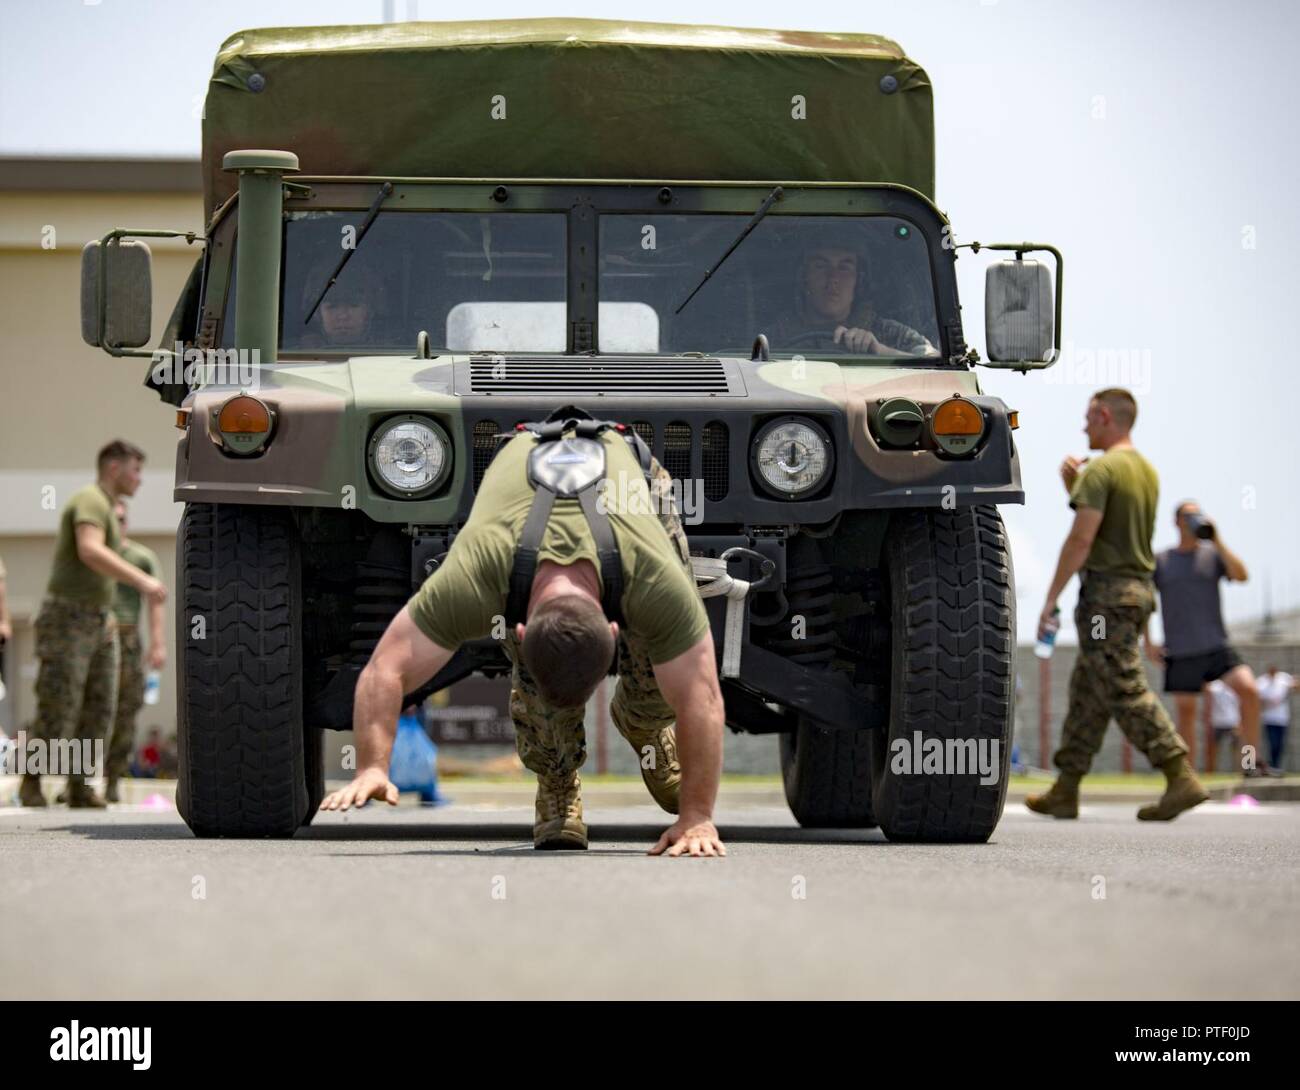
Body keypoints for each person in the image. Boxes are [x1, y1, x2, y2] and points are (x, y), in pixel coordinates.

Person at [320, 415, 726, 856]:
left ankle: (645, 725)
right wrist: (371, 767)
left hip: (633, 480)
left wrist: (697, 816)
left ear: (616, 628)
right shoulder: (480, 569)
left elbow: (700, 697)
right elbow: (387, 668)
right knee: (541, 685)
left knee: (665, 669)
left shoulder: (651, 578)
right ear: (517, 630)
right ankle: (557, 779)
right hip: (520, 485)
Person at [1026, 389, 1208, 822]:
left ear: (1105, 416)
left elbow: (1083, 538)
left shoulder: (1102, 469)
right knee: (1090, 689)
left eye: (1088, 418)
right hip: (1135, 593)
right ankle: (1066, 787)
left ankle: (1178, 773)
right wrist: (1076, 488)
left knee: (1123, 684)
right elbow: (1113, 529)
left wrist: (1050, 598)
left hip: (1107, 603)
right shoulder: (1144, 470)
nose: (1084, 426)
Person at [19, 441, 166, 808]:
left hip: (101, 620)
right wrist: (141, 580)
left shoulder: (107, 507)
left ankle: (80, 786)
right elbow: (89, 549)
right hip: (68, 616)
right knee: (58, 704)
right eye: (135, 470)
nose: (140, 479)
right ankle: (30, 781)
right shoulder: (91, 500)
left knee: (101, 708)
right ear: (113, 468)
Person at [1146, 500, 1262, 774]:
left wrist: (1217, 538)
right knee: (1187, 715)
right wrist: (1147, 641)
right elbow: (1145, 600)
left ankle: (1252, 764)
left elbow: (1242, 575)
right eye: (1188, 515)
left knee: (1250, 691)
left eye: (1197, 514)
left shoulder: (1213, 554)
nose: (1193, 520)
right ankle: (1187, 779)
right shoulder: (1162, 560)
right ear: (1176, 521)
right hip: (1181, 650)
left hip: (1216, 646)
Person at [771, 235, 935, 356]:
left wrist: (880, 350)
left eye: (844, 267)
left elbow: (934, 363)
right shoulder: (776, 336)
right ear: (803, 277)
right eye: (820, 266)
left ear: (859, 280)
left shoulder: (887, 332)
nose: (833, 278)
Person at [103, 501, 165, 802]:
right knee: (91, 711)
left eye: (122, 519)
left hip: (127, 638)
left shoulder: (140, 557)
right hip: (95, 636)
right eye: (111, 519)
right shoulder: (94, 556)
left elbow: (155, 599)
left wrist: (157, 643)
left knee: (126, 709)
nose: (118, 524)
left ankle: (113, 778)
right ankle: (80, 781)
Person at [1259, 664, 1295, 775]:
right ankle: (1272, 766)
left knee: (1280, 744)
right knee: (1272, 743)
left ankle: (1276, 766)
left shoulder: (1283, 678)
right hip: (1269, 718)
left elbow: (1295, 685)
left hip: (1282, 719)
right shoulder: (1262, 681)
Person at [1205, 678, 1240, 773]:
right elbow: (1208, 705)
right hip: (1217, 722)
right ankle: (1210, 772)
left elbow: (1240, 705)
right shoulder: (1213, 686)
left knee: (1237, 750)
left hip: (1233, 722)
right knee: (1212, 750)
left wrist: (1240, 723)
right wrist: (1208, 722)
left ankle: (1239, 772)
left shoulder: (1237, 685)